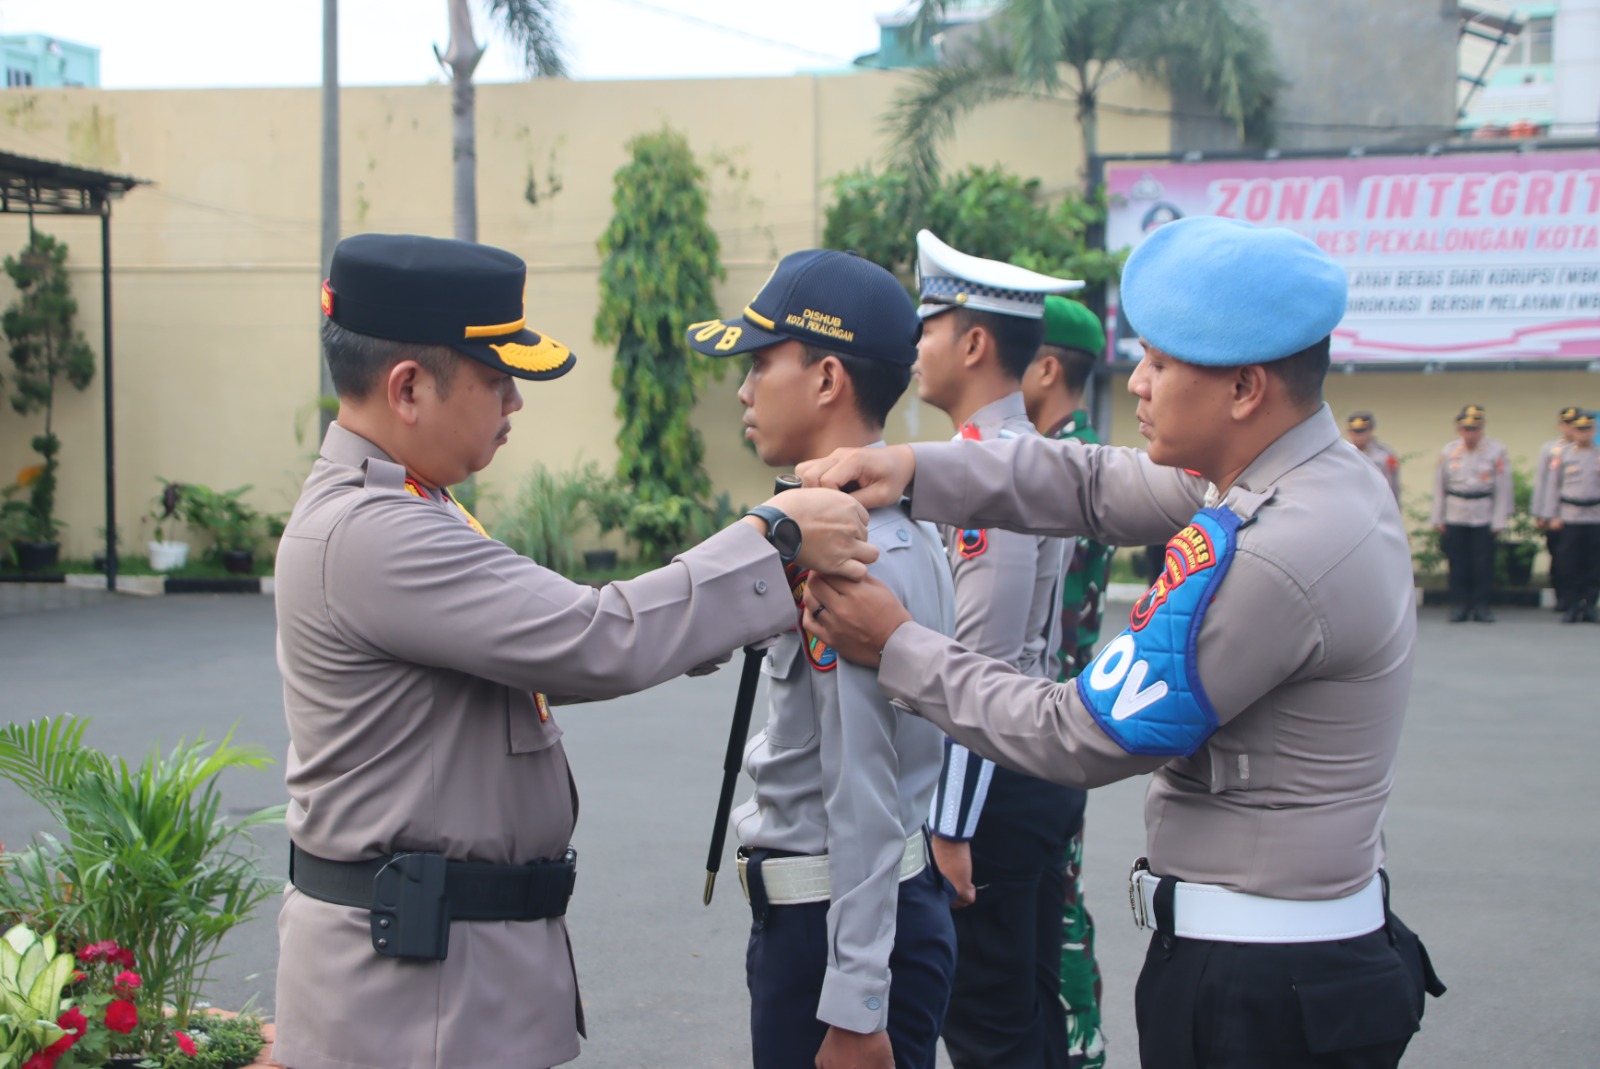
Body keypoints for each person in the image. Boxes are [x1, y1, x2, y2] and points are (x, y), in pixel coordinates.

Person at [798, 216, 1446, 1069]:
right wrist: (916, 468)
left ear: (1245, 387)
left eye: (1161, 364)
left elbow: (1085, 729)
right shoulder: (1290, 471)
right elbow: (1096, 482)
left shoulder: (1286, 548)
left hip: (1268, 992)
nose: (1137, 382)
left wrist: (899, 644)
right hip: (1272, 962)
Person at [272, 233, 877, 1069]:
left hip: (446, 973)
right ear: (408, 387)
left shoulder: (410, 502)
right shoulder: (376, 531)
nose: (514, 401)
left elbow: (563, 627)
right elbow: (597, 637)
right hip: (418, 1002)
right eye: (495, 379)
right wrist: (774, 539)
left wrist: (739, 599)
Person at [683, 247, 959, 1069]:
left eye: (760, 363)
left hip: (835, 930)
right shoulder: (848, 526)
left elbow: (865, 789)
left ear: (828, 379)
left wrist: (856, 1004)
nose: (742, 389)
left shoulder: (856, 554)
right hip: (839, 922)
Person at [909, 231, 1077, 1069]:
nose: (916, 346)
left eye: (927, 327)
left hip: (994, 789)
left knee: (988, 1028)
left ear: (973, 343)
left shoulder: (992, 472)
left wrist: (950, 823)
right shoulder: (1014, 456)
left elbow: (985, 664)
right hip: (1021, 774)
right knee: (1025, 1013)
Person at [1021, 293, 1110, 1068]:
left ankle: (1081, 1049)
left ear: (1046, 367)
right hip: (1067, 708)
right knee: (1058, 900)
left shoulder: (1060, 468)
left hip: (1050, 718)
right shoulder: (1073, 455)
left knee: (1059, 909)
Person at [1430, 404, 1512, 623]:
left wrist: (1499, 519)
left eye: (1474, 428)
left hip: (1483, 514)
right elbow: (1440, 487)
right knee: (1458, 562)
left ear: (1482, 427)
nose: (1470, 433)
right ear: (1459, 429)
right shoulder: (1448, 452)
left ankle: (1481, 605)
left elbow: (1503, 488)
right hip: (1455, 513)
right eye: (1466, 429)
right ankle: (1460, 604)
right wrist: (1438, 517)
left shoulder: (1496, 451)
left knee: (1483, 564)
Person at [1538, 410, 1600, 623]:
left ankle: (1590, 605)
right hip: (1569, 516)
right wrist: (1551, 515)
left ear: (1594, 430)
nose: (1583, 433)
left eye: (1587, 429)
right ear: (1573, 430)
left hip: (1595, 516)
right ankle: (1572, 606)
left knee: (1594, 564)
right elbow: (1552, 488)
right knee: (1569, 563)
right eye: (1579, 429)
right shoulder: (1562, 456)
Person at [1533, 407, 1582, 613]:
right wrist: (1541, 513)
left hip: (1585, 514)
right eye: (1567, 424)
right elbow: (1543, 482)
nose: (1571, 428)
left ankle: (1581, 599)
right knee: (1560, 557)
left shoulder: (1593, 451)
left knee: (1585, 558)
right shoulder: (1552, 449)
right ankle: (1562, 596)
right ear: (1561, 425)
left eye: (1575, 424)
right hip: (1557, 513)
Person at [1345, 412, 1400, 502]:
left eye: (1362, 431)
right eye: (1355, 431)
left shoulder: (1384, 455)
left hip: (1377, 505)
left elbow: (1392, 487)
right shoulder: (1343, 454)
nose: (1358, 436)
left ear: (1371, 430)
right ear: (1349, 432)